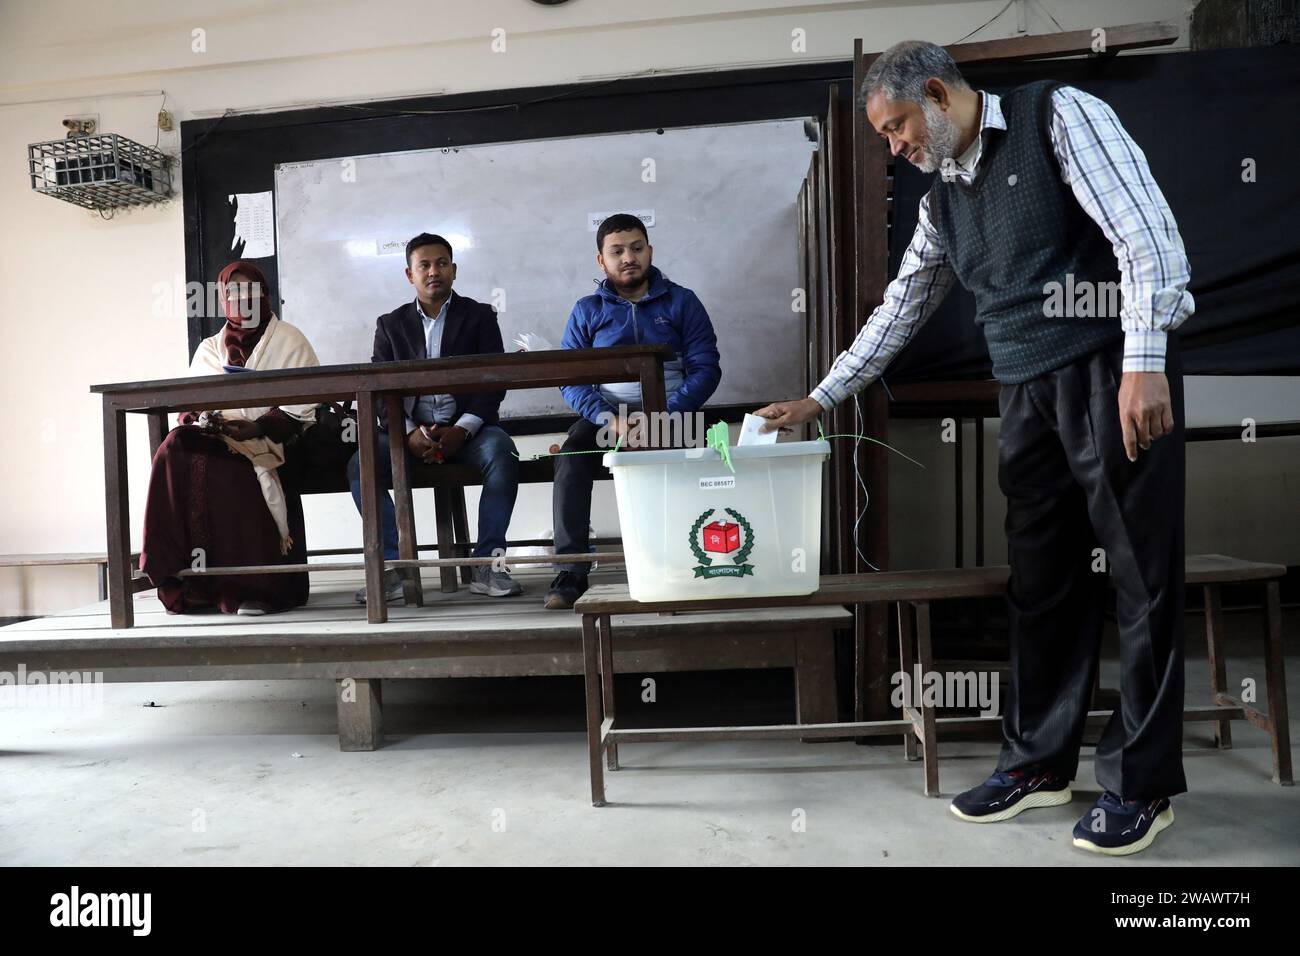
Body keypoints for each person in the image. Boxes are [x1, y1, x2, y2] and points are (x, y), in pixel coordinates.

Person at [756, 41, 1194, 856]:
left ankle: (1143, 783)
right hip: (1026, 390)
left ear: (934, 93)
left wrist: (1144, 362)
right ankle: (1038, 764)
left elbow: (1146, 232)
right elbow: (901, 308)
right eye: (887, 138)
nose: (896, 147)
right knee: (1042, 582)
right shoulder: (940, 203)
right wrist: (823, 396)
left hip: (1109, 370)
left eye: (895, 129)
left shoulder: (1058, 115)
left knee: (1141, 575)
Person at [546, 213, 721, 609]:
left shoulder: (682, 301)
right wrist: (613, 420)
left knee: (703, 462)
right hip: (610, 421)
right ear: (601, 261)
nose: (629, 257)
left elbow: (706, 368)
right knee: (572, 459)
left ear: (650, 251)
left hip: (674, 417)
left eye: (637, 248)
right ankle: (572, 570)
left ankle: (693, 561)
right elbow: (571, 378)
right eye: (617, 251)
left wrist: (665, 415)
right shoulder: (587, 310)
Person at [348, 232, 522, 604]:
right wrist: (407, 433)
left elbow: (494, 381)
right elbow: (379, 393)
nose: (433, 272)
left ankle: (488, 565)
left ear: (454, 270)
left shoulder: (479, 316)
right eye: (423, 265)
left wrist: (463, 428)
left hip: (468, 431)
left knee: (503, 453)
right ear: (409, 275)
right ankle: (395, 568)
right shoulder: (390, 325)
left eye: (441, 263)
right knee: (361, 463)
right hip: (407, 433)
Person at [140, 261, 320, 615]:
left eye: (250, 289)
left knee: (232, 471)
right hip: (219, 437)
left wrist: (257, 426)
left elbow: (305, 405)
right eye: (232, 292)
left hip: (272, 443)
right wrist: (209, 420)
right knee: (176, 446)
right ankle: (186, 582)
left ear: (264, 294)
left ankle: (255, 588)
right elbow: (190, 406)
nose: (242, 298)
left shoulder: (289, 340)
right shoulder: (210, 347)